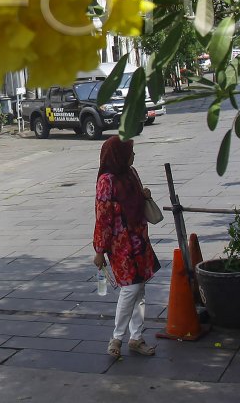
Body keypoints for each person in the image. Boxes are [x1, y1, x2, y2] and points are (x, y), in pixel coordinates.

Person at [92, 136, 160, 358]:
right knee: (130, 289)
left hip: (139, 239)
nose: (133, 155)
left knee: (139, 288)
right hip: (120, 244)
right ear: (118, 155)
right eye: (130, 152)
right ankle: (117, 338)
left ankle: (136, 337)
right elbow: (103, 218)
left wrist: (145, 196)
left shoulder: (131, 174)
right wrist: (100, 251)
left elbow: (136, 202)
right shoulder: (107, 181)